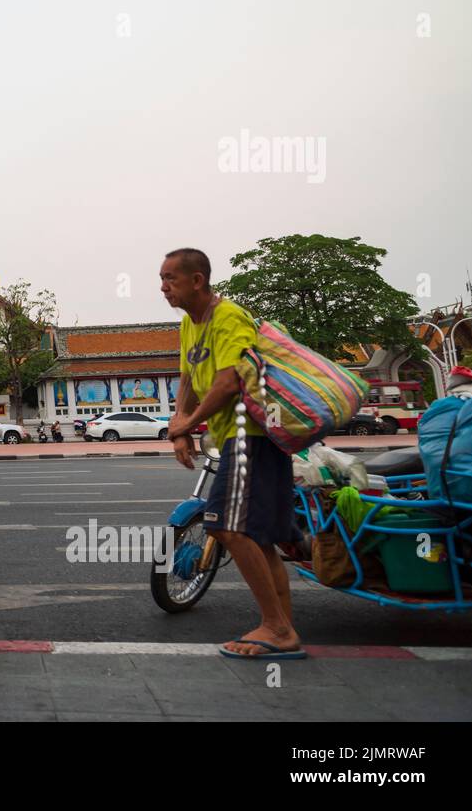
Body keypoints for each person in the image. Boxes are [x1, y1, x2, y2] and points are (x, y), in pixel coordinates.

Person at [161, 248, 302, 660]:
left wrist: (187, 425)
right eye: (161, 277)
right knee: (258, 537)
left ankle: (276, 627)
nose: (163, 286)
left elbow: (227, 383)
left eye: (170, 278)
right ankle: (283, 630)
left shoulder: (229, 317)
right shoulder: (191, 323)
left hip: (252, 435)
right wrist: (179, 425)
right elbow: (188, 376)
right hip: (235, 438)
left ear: (197, 280)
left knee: (224, 526)